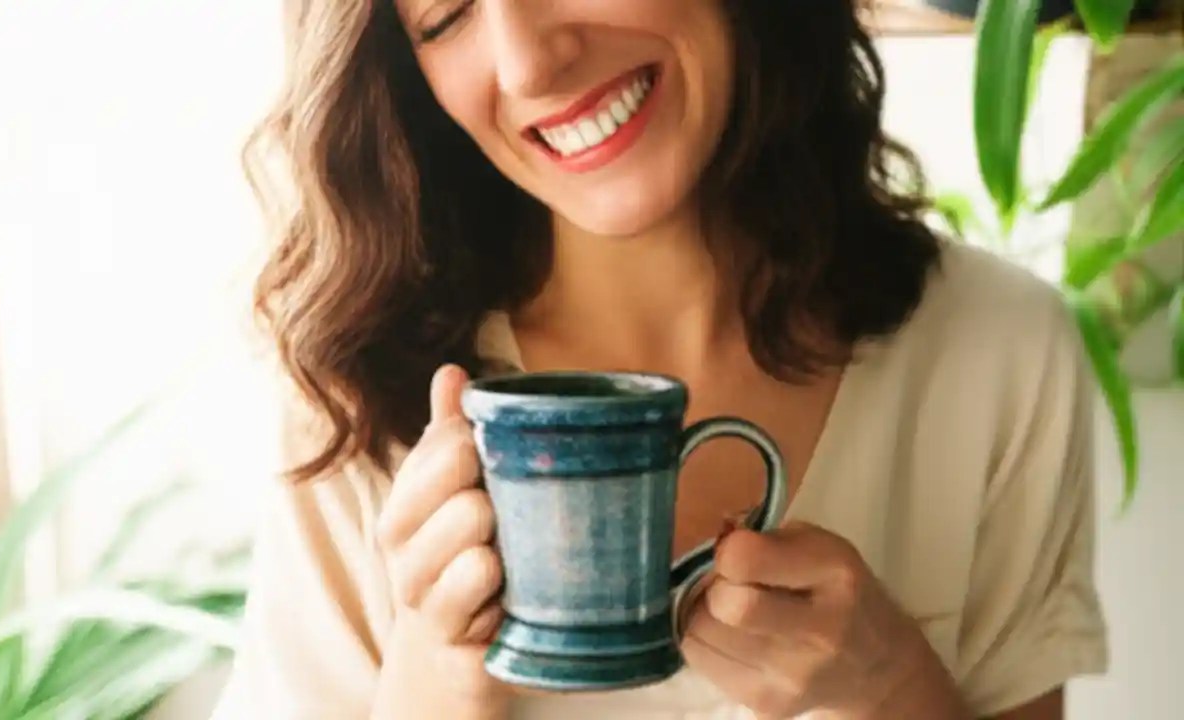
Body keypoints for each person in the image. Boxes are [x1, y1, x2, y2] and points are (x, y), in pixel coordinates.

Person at [213, 1, 1108, 718]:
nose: (527, 61)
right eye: (446, 18)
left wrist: (892, 691)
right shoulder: (354, 403)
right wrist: (434, 679)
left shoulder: (997, 351)